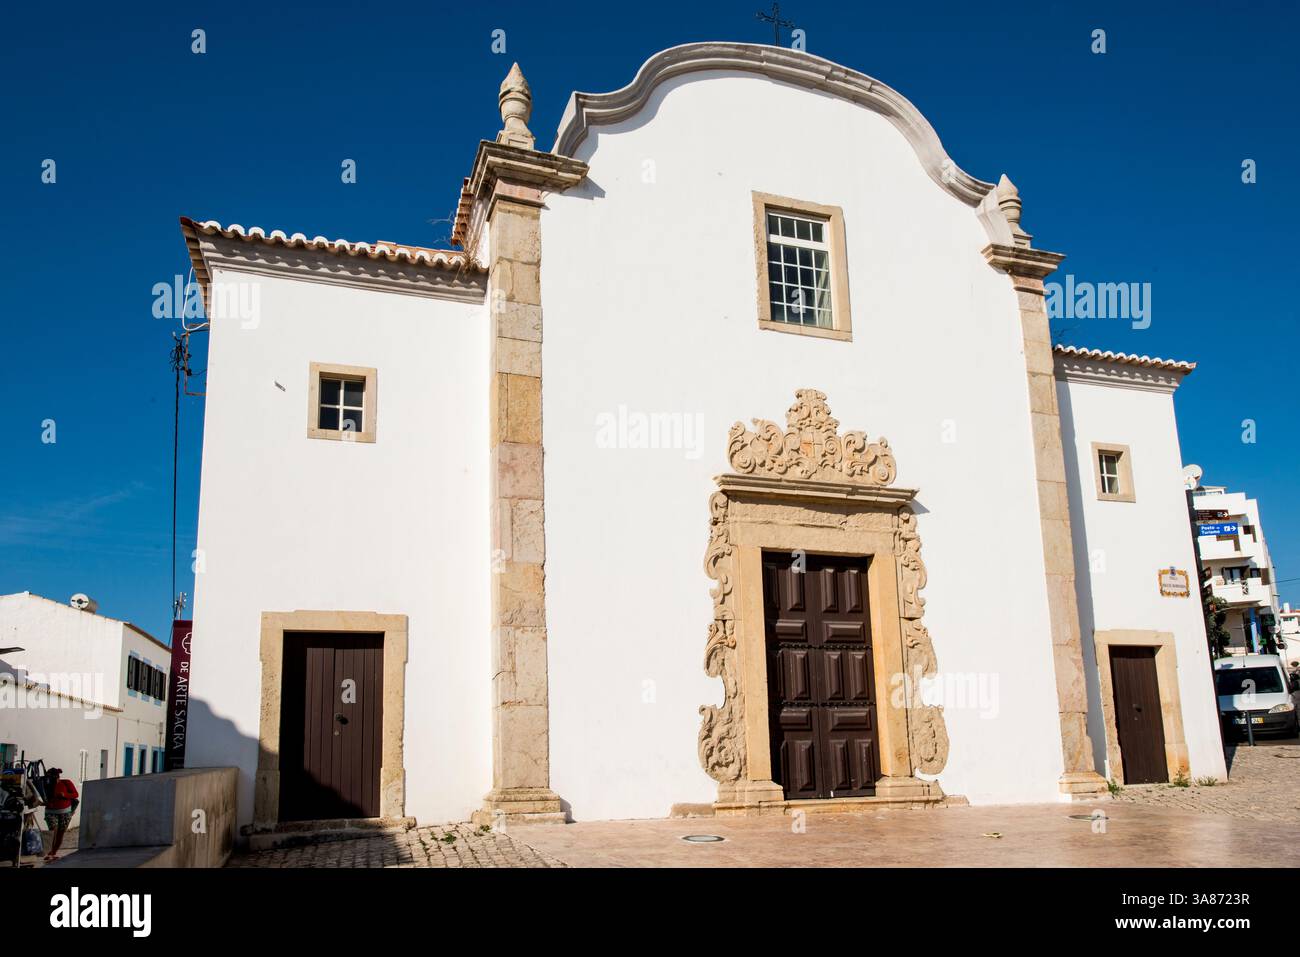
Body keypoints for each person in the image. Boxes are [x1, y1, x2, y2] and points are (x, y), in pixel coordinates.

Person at [42, 768, 78, 862]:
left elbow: (75, 794)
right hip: (50, 811)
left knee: (60, 833)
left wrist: (65, 794)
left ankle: (53, 852)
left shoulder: (66, 783)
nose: (53, 780)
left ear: (58, 777)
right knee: (53, 831)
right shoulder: (46, 784)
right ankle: (50, 852)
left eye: (55, 778)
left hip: (65, 812)